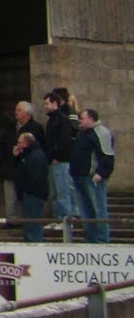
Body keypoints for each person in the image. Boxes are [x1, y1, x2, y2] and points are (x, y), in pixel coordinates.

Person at [70, 109, 114, 244]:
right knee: (85, 211)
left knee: (98, 209)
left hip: (92, 178)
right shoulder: (82, 134)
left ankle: (102, 240)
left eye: (82, 118)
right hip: (79, 176)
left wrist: (101, 173)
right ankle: (90, 239)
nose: (80, 121)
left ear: (91, 119)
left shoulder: (101, 133)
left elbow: (108, 155)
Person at [1, 102, 45, 226]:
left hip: (26, 166)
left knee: (26, 194)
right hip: (10, 165)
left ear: (27, 113)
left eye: (19, 110)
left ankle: (27, 218)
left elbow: (38, 147)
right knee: (10, 194)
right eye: (16, 109)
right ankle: (12, 218)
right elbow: (3, 145)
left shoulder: (35, 128)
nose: (16, 112)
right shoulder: (10, 128)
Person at [43, 90, 79, 223]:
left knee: (62, 192)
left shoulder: (61, 119)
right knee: (56, 193)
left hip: (61, 162)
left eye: (47, 103)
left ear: (55, 103)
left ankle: (65, 221)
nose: (45, 106)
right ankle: (59, 219)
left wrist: (57, 157)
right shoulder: (53, 120)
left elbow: (65, 141)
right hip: (54, 161)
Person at [11, 131, 49, 243]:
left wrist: (26, 190)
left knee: (33, 224)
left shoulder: (36, 156)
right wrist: (17, 157)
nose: (17, 144)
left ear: (26, 143)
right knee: (29, 224)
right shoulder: (27, 155)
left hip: (33, 195)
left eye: (19, 142)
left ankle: (35, 245)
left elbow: (35, 177)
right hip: (28, 194)